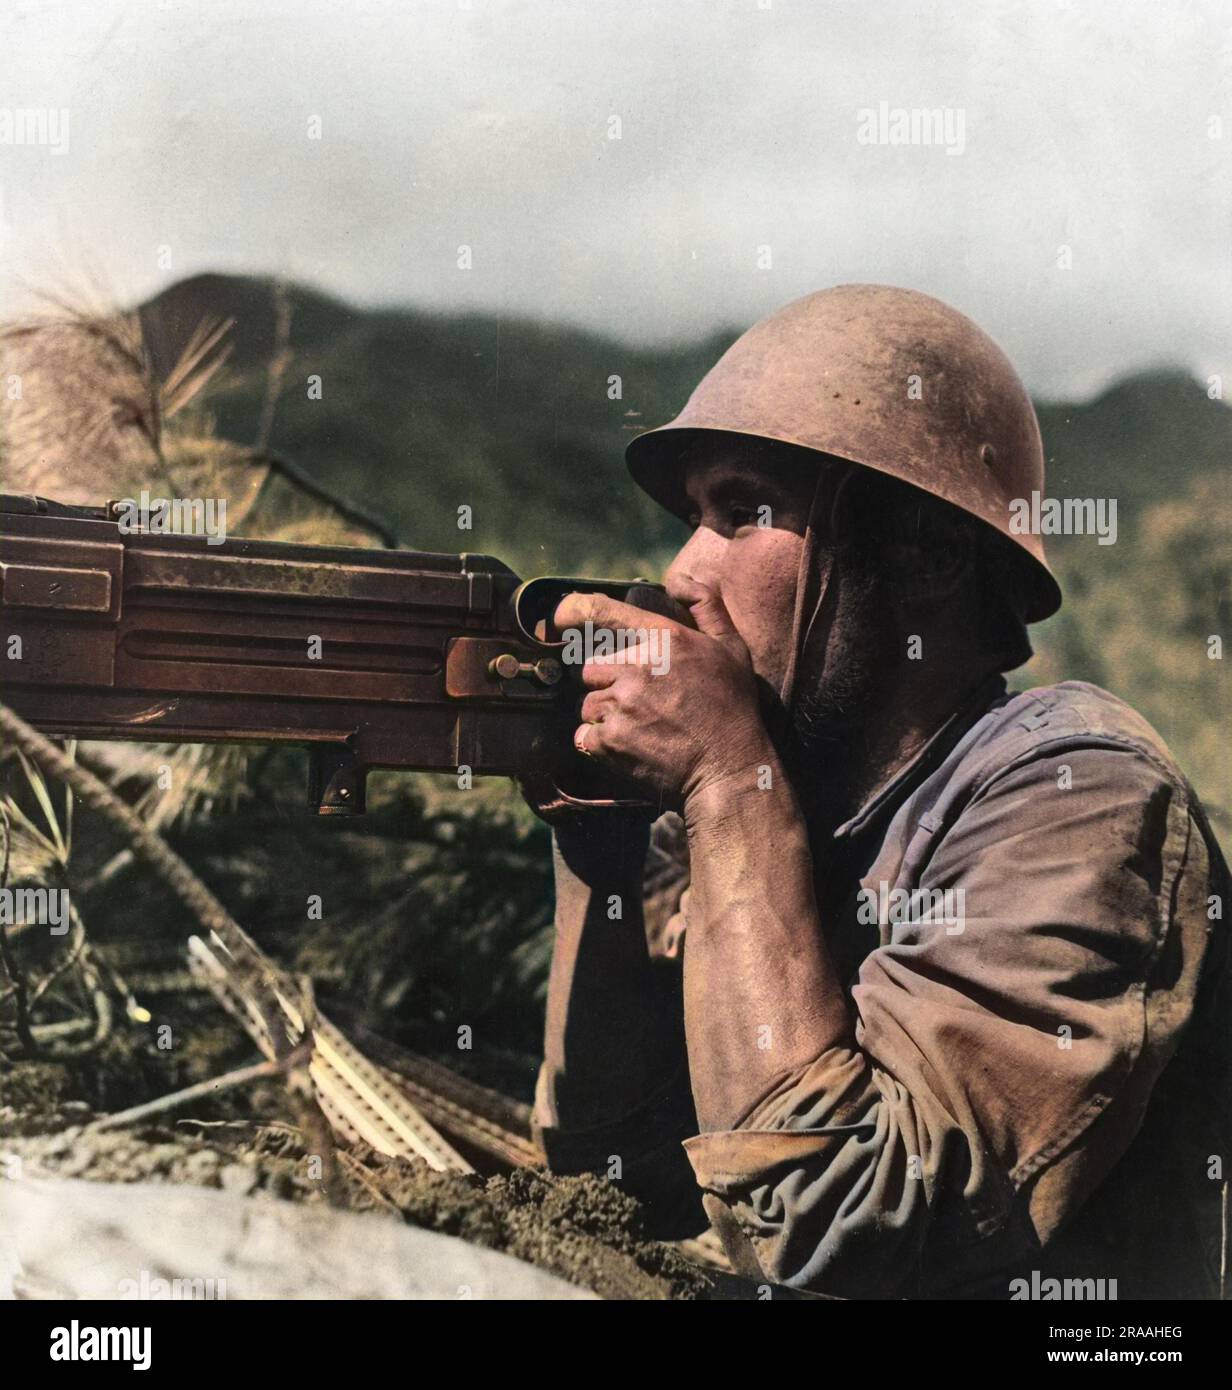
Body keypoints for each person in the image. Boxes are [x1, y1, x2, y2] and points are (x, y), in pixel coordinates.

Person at [528, 285, 1230, 1299]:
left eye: (743, 512)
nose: (681, 572)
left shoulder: (1078, 793)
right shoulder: (779, 813)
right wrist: (601, 846)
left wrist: (728, 780)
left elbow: (834, 1221)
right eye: (693, 518)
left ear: (927, 551)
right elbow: (615, 1184)